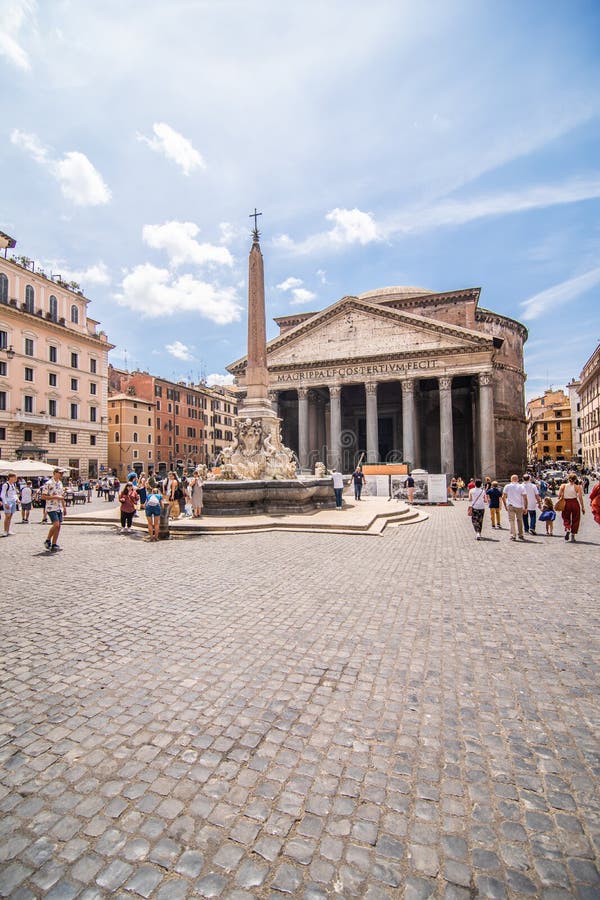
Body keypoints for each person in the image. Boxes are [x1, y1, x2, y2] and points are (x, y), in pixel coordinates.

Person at [42, 469, 67, 552]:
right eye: (60, 473)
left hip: (59, 507)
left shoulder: (60, 483)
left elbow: (61, 496)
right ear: (54, 473)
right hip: (51, 507)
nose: (61, 474)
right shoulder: (48, 483)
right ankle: (48, 539)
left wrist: (64, 507)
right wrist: (55, 497)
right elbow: (43, 497)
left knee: (58, 526)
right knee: (56, 525)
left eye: (62, 473)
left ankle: (54, 544)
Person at [557, 473, 585, 541]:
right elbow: (580, 498)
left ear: (568, 478)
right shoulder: (577, 487)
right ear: (575, 480)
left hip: (566, 503)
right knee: (576, 518)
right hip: (574, 502)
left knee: (565, 517)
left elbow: (559, 496)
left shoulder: (563, 486)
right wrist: (582, 507)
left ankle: (567, 527)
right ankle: (573, 535)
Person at [502, 474, 527, 541]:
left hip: (511, 505)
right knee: (520, 520)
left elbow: (503, 497)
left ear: (511, 479)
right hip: (519, 506)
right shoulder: (521, 487)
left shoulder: (507, 486)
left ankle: (513, 535)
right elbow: (525, 498)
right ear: (518, 479)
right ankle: (521, 534)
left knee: (511, 520)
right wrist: (525, 507)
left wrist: (505, 505)